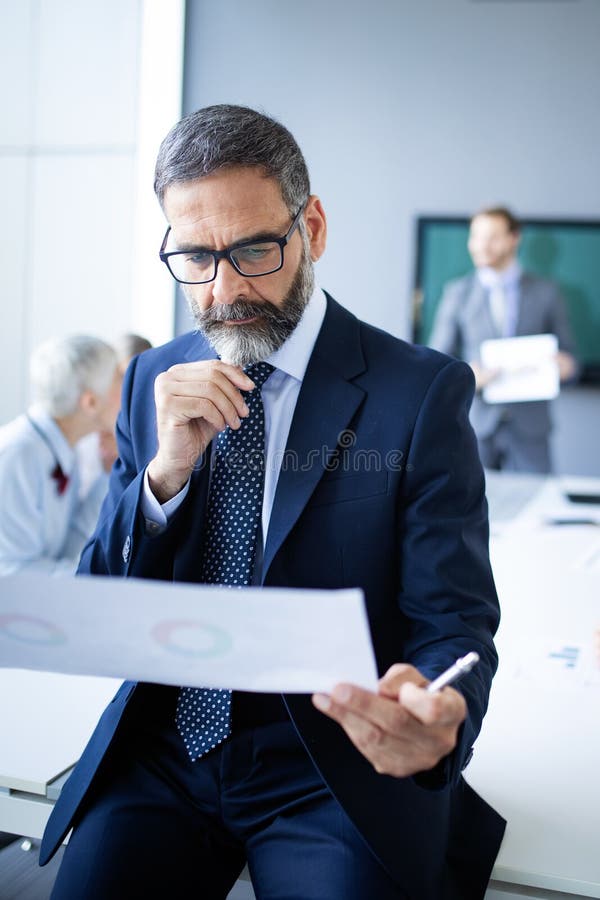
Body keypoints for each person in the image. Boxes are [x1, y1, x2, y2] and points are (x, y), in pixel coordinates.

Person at [41, 105, 505, 900]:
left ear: (312, 228)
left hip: (328, 767)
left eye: (254, 249)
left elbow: (452, 623)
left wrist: (439, 711)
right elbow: (101, 599)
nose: (224, 289)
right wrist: (164, 474)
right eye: (194, 256)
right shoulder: (155, 380)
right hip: (167, 749)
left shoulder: (419, 393)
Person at [429, 206, 578, 473]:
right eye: (475, 237)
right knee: (468, 507)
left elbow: (571, 358)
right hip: (474, 424)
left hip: (531, 427)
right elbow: (436, 362)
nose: (481, 246)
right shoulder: (457, 294)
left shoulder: (547, 293)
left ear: (514, 238)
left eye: (492, 237)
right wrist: (468, 374)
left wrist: (567, 366)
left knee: (536, 506)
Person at [0, 335, 121, 575]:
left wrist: (109, 474)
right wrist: (96, 576)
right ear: (90, 402)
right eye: (118, 378)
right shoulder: (18, 455)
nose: (129, 386)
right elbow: (10, 570)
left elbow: (69, 545)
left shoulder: (64, 448)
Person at [76, 333, 153, 497]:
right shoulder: (84, 435)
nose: (127, 390)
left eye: (137, 379)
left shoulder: (154, 434)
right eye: (122, 379)